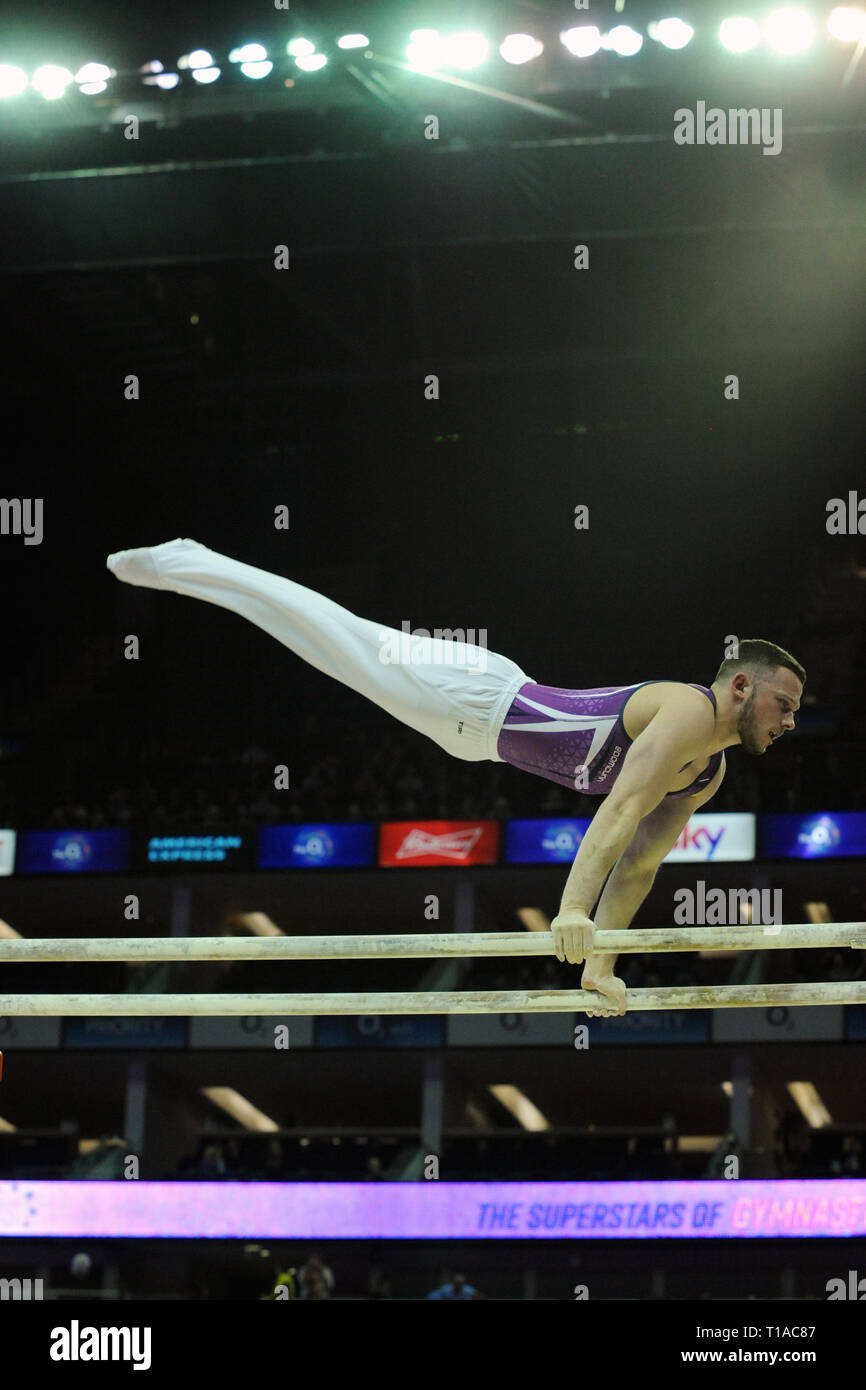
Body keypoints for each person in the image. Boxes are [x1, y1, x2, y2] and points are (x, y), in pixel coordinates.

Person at [107, 539, 805, 1017]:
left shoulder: (706, 773)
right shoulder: (687, 710)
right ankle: (186, 563)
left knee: (329, 643)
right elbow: (617, 813)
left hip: (478, 737)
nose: (790, 722)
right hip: (478, 697)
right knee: (332, 635)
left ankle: (194, 569)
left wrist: (602, 963)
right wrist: (569, 910)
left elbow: (639, 863)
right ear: (741, 685)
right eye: (784, 705)